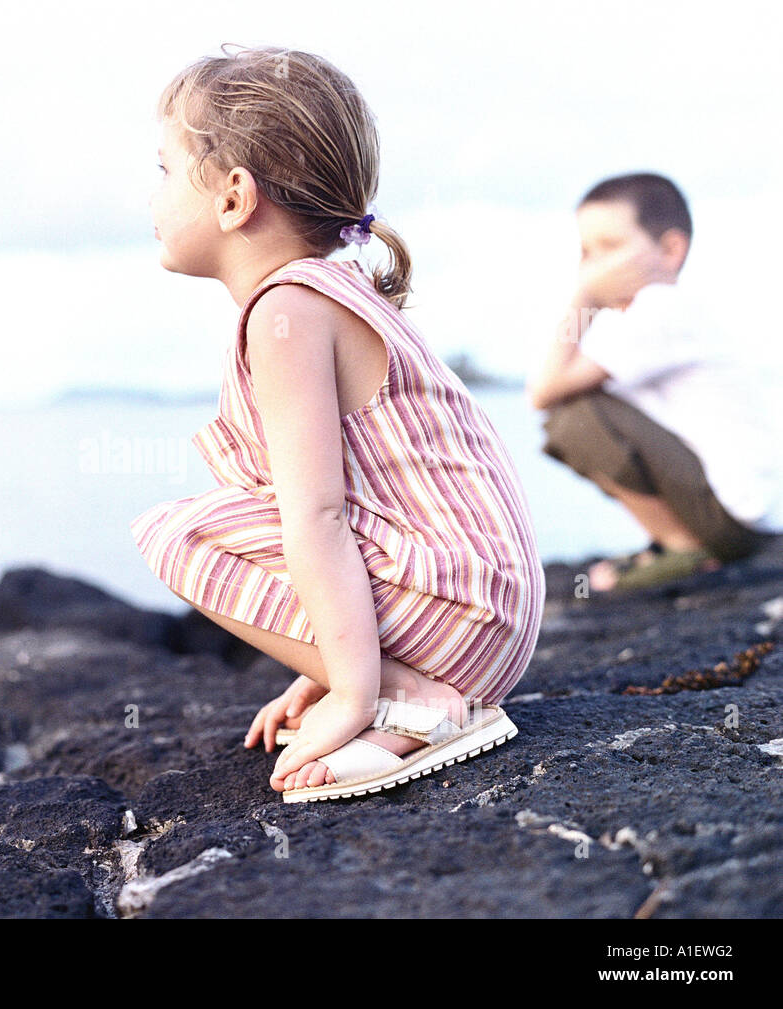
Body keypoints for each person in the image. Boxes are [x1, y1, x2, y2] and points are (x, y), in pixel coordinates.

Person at [128, 46, 545, 803]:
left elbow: (318, 517)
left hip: (459, 618)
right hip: (484, 618)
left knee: (176, 531)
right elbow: (366, 508)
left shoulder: (287, 310)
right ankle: (404, 683)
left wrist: (353, 691)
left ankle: (411, 701)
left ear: (232, 197)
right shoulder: (329, 291)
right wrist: (312, 665)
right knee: (248, 518)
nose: (150, 196)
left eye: (163, 171)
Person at [527, 173, 781, 592]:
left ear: (670, 250)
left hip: (731, 522)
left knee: (573, 417)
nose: (591, 267)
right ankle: (677, 540)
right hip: (740, 519)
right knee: (581, 411)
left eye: (609, 248)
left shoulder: (662, 309)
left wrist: (583, 300)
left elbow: (545, 390)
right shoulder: (658, 315)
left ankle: (682, 547)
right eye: (585, 252)